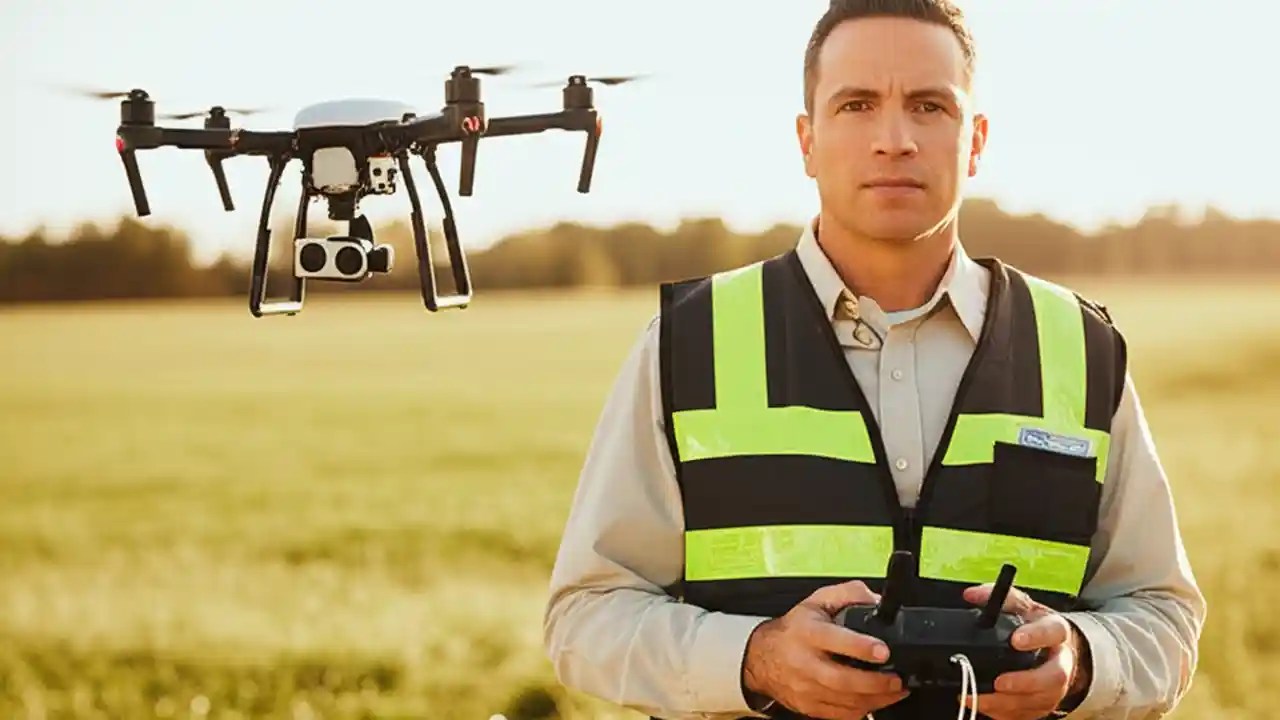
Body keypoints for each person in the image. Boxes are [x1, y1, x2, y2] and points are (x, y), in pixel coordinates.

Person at [542, 1, 1205, 718]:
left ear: (975, 140)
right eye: (856, 105)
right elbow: (586, 616)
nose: (894, 140)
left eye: (929, 106)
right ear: (807, 140)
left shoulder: (1079, 345)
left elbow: (1162, 617)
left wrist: (1081, 663)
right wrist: (756, 658)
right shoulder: (687, 340)